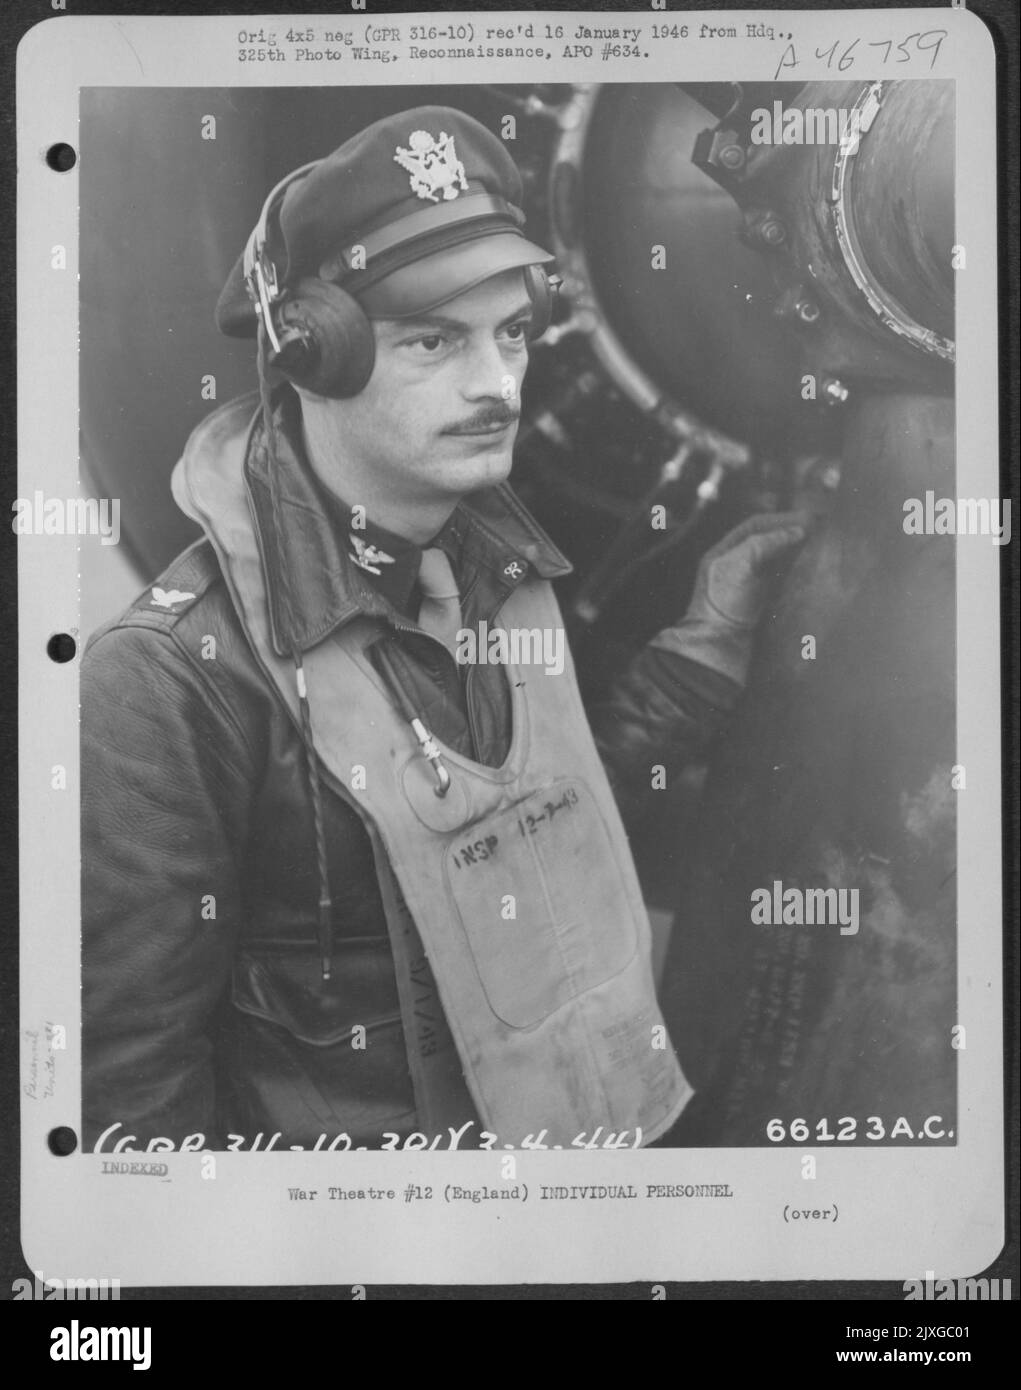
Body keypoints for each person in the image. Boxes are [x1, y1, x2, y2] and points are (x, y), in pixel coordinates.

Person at [81, 106, 805, 1153]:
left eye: (510, 332)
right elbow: (127, 1113)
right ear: (314, 356)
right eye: (434, 340)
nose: (496, 383)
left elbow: (502, 829)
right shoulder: (165, 683)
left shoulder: (501, 583)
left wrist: (687, 672)